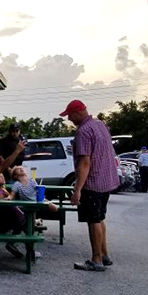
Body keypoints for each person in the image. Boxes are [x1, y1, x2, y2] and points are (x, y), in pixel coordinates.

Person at [60, 99, 119, 271]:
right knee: (99, 218)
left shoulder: (83, 132)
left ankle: (96, 260)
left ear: (77, 113)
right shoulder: (100, 125)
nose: (69, 119)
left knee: (93, 220)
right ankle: (105, 254)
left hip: (92, 183)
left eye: (69, 115)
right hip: (106, 181)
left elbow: (85, 163)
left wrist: (77, 189)